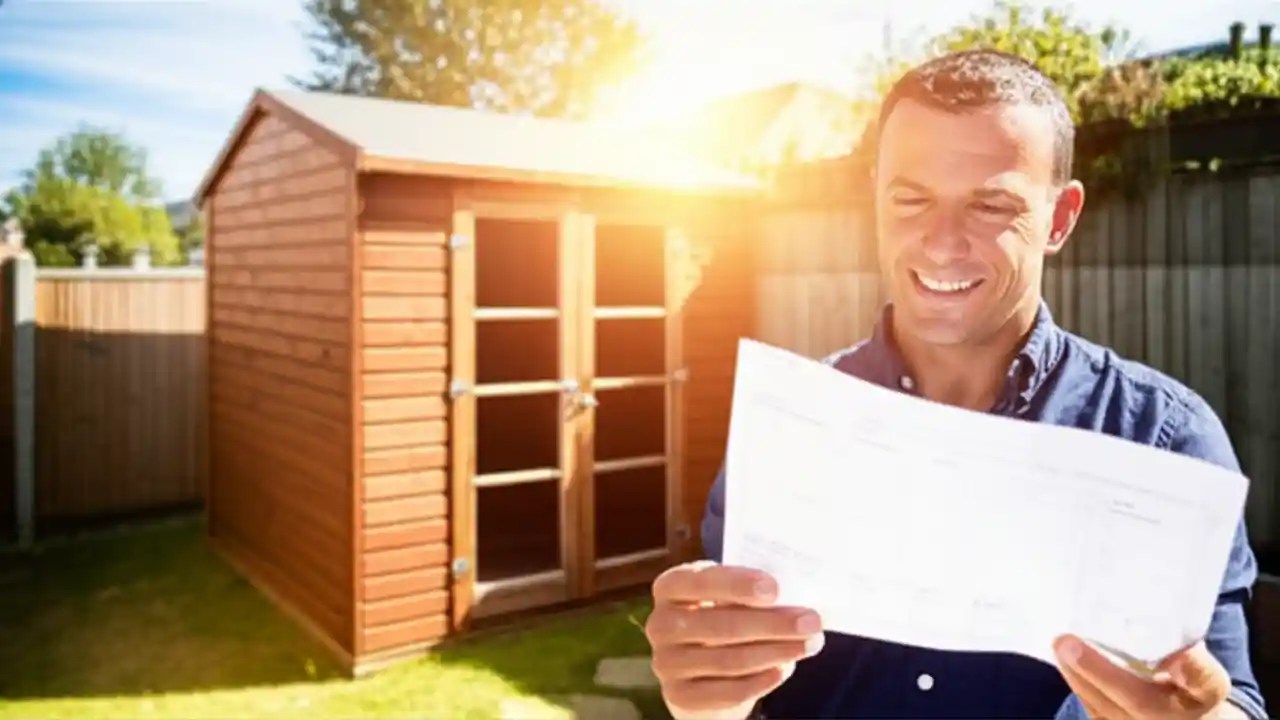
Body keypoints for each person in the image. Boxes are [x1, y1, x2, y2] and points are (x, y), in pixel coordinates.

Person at [643, 49, 1267, 720]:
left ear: (1059, 218)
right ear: (875, 201)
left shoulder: (1163, 440)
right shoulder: (788, 430)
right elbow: (731, 691)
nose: (942, 243)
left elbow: (1234, 703)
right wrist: (705, 701)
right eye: (911, 200)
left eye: (991, 205)